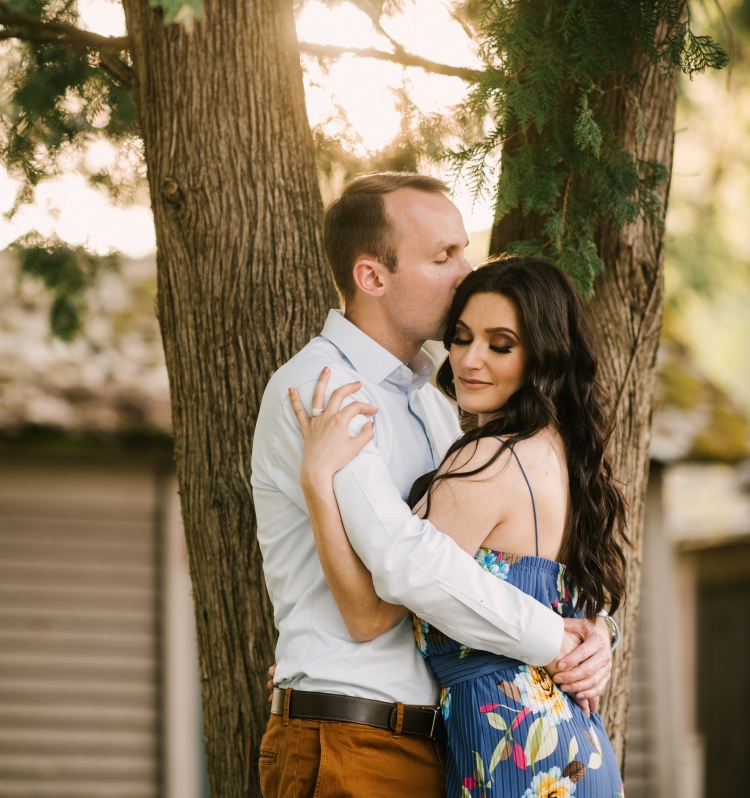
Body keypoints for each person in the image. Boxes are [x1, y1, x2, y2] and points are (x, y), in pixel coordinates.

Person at [250, 173, 615, 798]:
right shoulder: (325, 389)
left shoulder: (437, 406)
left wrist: (593, 630)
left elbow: (503, 559)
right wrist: (557, 639)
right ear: (373, 277)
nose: (463, 270)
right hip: (353, 738)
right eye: (443, 256)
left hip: (443, 744)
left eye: (462, 250)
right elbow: (402, 572)